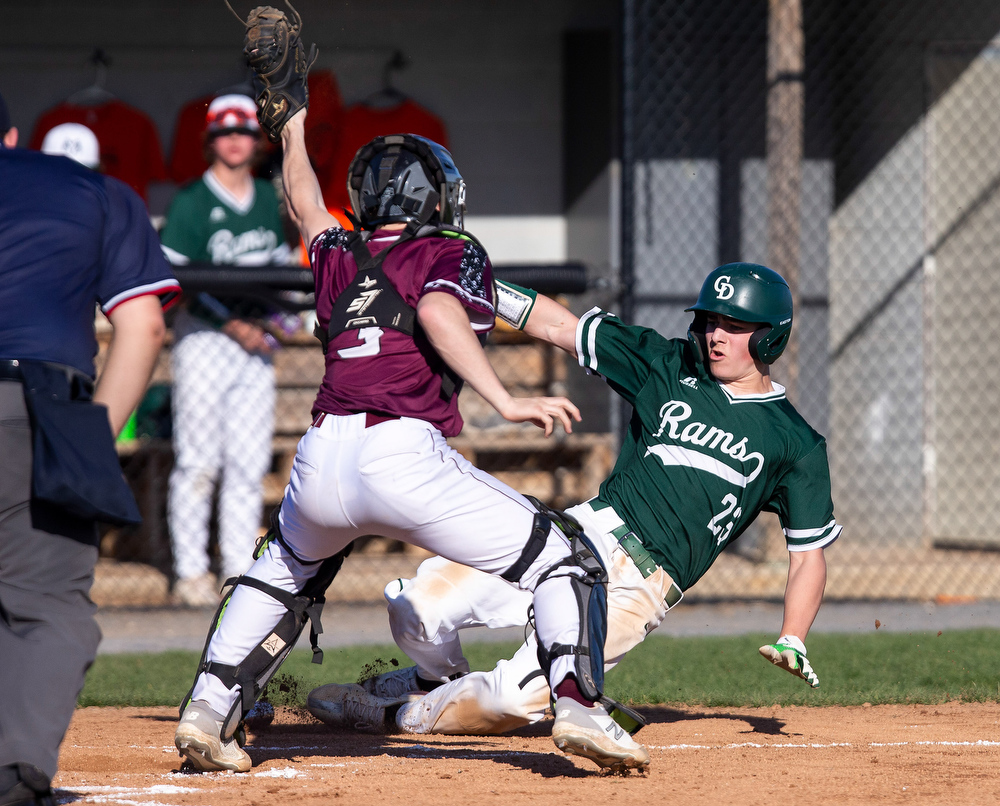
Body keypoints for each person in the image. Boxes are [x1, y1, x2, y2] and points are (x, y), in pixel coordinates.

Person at [173, 109, 645, 776]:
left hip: (320, 456)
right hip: (400, 453)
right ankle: (579, 707)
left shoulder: (339, 252)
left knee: (278, 574)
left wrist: (293, 126)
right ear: (433, 198)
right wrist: (505, 400)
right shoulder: (448, 249)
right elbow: (436, 309)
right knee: (566, 561)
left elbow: (304, 202)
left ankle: (207, 710)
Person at [307, 262, 842, 741]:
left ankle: (398, 714)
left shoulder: (796, 443)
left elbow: (808, 556)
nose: (715, 335)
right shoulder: (668, 364)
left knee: (509, 701)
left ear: (771, 338)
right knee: (415, 607)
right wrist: (470, 287)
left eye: (735, 326)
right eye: (708, 321)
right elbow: (558, 326)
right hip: (578, 536)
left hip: (640, 589)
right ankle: (435, 680)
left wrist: (793, 637)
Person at [0, 90, 178, 806]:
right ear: (12, 135)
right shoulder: (94, 191)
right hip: (35, 408)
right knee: (45, 607)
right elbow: (144, 326)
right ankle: (12, 777)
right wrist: (88, 441)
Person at [160, 93, 292, 607]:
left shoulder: (264, 198)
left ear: (257, 141)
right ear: (209, 140)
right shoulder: (192, 200)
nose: (234, 141)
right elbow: (175, 280)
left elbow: (279, 274)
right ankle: (190, 571)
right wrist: (233, 324)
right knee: (198, 460)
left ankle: (237, 567)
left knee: (247, 461)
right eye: (223, 132)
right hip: (204, 340)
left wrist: (279, 322)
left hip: (256, 344)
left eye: (243, 132)